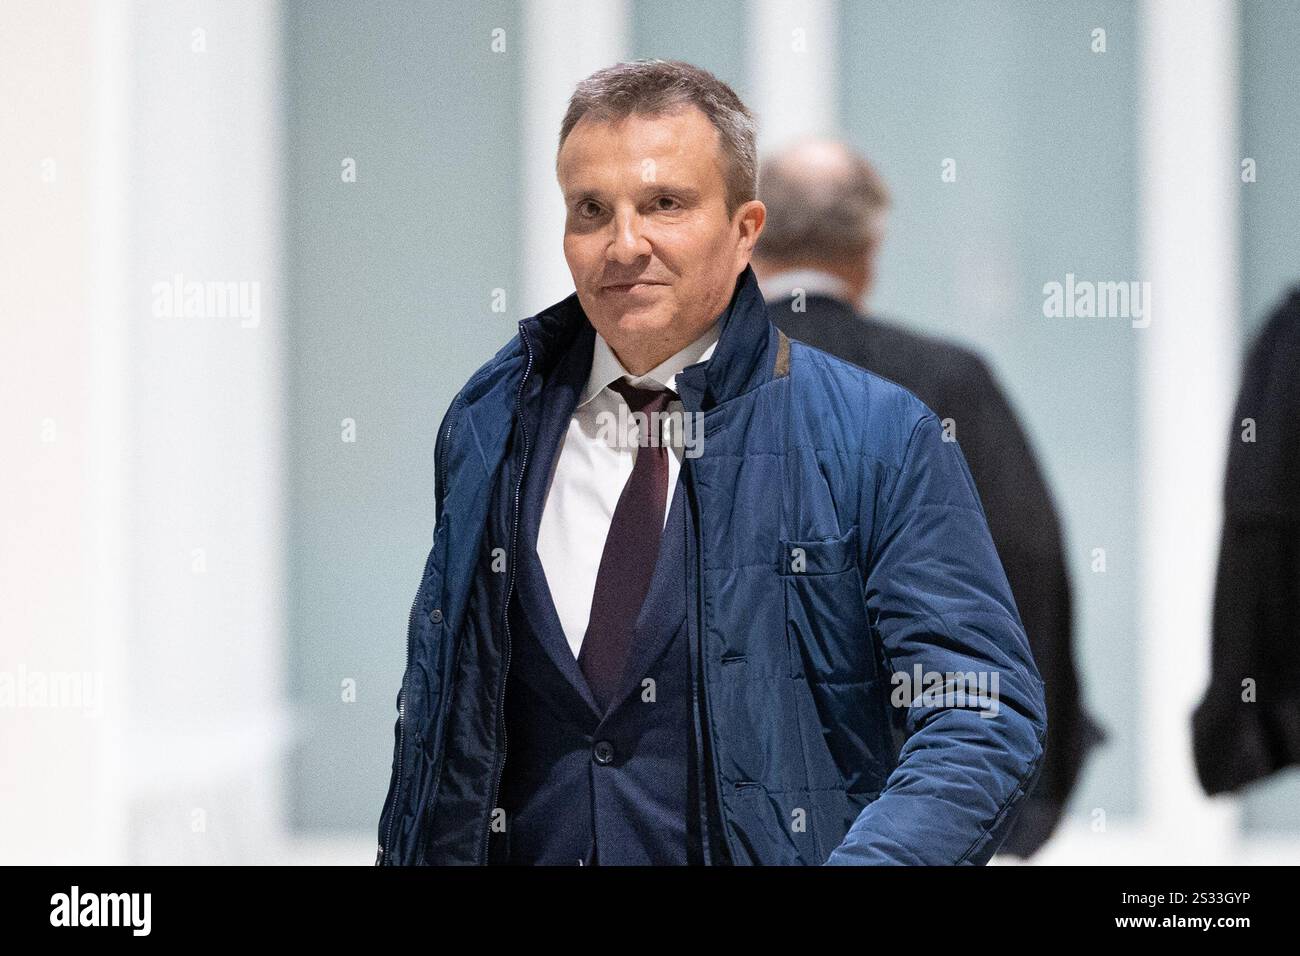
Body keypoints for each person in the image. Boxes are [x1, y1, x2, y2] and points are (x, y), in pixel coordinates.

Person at [376, 59, 1046, 866]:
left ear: (745, 231)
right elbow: (442, 720)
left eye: (665, 203)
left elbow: (980, 708)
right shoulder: (490, 424)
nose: (625, 243)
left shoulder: (879, 435)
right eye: (592, 210)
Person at [753, 138, 1105, 858]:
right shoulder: (946, 380)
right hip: (915, 807)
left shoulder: (681, 386)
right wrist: (1023, 792)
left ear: (748, 234)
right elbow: (1028, 570)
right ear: (869, 249)